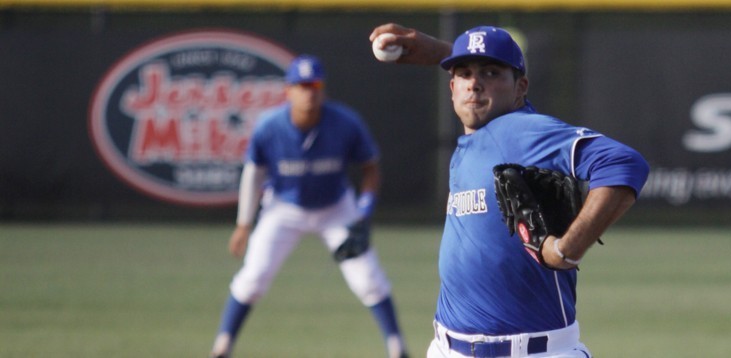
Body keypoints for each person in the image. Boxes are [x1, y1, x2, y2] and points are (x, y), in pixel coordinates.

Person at [369, 24, 650, 357]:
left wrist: (566, 250)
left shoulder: (520, 131)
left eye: (491, 73)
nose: (474, 83)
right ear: (452, 87)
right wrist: (443, 52)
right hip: (447, 348)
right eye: (464, 73)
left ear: (521, 88)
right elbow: (483, 79)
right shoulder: (476, 136)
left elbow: (624, 163)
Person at [209, 54, 409, 358]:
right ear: (288, 91)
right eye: (301, 86)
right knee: (253, 279)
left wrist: (363, 213)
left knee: (368, 279)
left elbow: (370, 167)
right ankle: (222, 347)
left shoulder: (345, 122)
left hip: (336, 208)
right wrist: (243, 224)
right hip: (283, 209)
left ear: (323, 89)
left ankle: (398, 348)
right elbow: (253, 174)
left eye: (314, 85)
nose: (309, 92)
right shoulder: (269, 126)